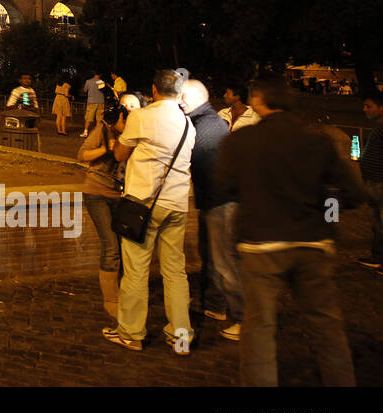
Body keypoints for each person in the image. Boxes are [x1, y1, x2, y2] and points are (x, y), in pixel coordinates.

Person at [215, 78, 366, 386]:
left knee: (259, 327)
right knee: (326, 324)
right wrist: (328, 213)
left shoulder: (242, 141)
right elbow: (350, 193)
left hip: (261, 243)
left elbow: (226, 185)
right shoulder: (319, 142)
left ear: (258, 101)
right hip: (313, 242)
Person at [102, 69, 196, 353]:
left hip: (143, 203)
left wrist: (121, 133)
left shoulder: (142, 117)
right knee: (175, 272)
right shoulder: (187, 124)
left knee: (136, 272)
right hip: (177, 204)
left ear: (154, 90)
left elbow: (120, 154)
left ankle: (131, 333)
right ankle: (181, 335)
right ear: (179, 94)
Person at [180, 79, 243, 341]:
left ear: (193, 99)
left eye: (182, 98)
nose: (179, 102)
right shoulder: (210, 122)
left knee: (226, 263)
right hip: (216, 201)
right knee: (216, 258)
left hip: (220, 202)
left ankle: (244, 318)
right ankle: (215, 305)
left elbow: (197, 164)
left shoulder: (205, 127)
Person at [77, 92, 139, 319]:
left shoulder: (134, 136)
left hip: (121, 196)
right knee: (111, 246)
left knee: (124, 246)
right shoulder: (103, 131)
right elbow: (81, 154)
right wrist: (106, 148)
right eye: (125, 113)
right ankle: (111, 299)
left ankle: (123, 290)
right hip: (96, 193)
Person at [357, 92, 383, 270]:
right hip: (373, 181)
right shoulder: (378, 127)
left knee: (381, 222)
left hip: (380, 182)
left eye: (369, 106)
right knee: (377, 223)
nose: (365, 109)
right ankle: (377, 256)